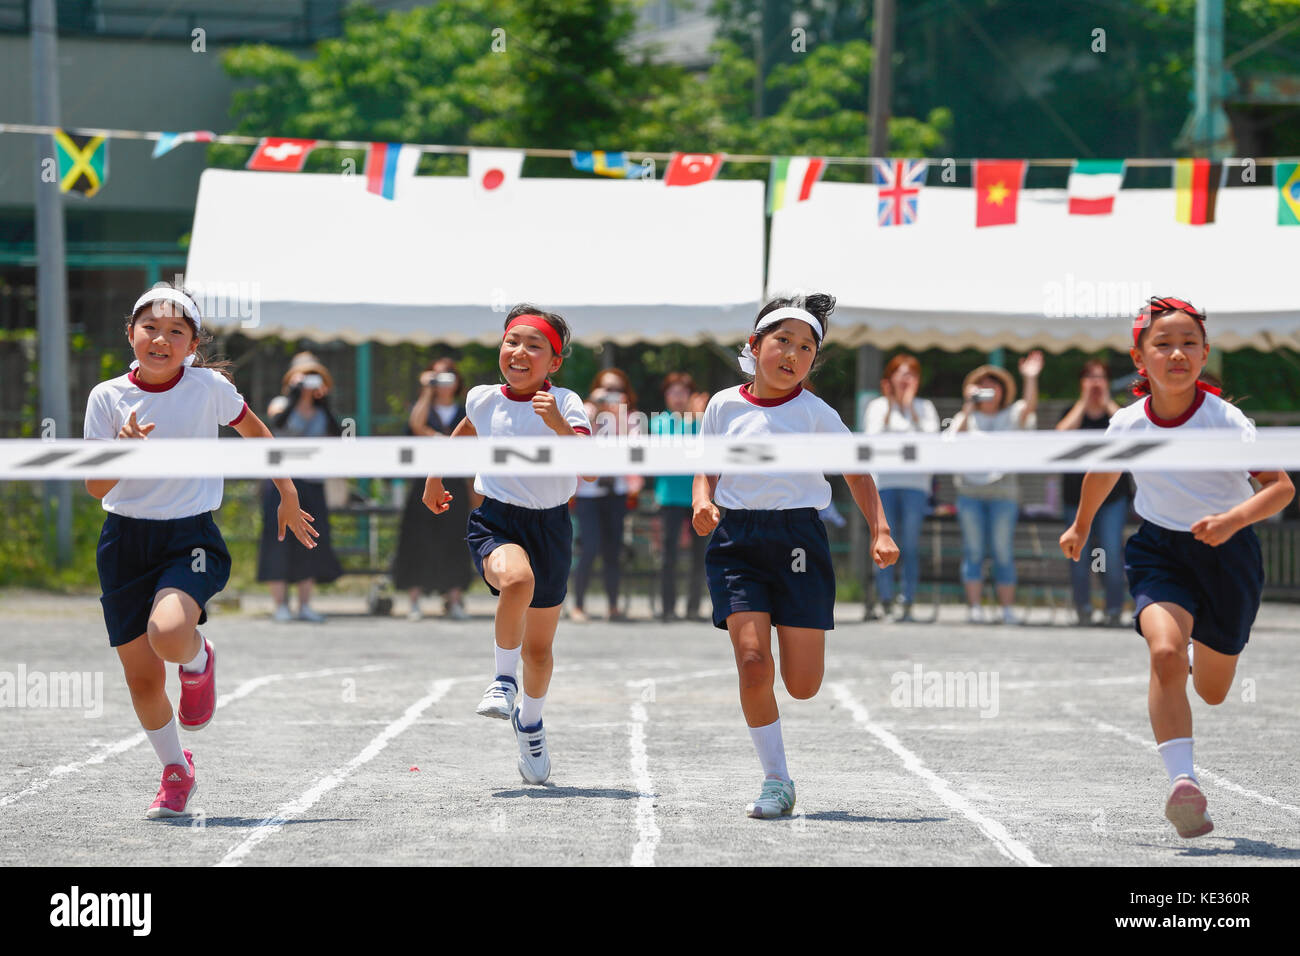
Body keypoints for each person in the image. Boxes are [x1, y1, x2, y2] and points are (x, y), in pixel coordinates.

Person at [1061, 296, 1293, 838]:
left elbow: (1281, 488)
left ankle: (1198, 652)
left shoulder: (1226, 421)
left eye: (1189, 343)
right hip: (1159, 550)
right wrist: (1081, 525)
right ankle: (1182, 783)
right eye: (1163, 344)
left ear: (1205, 354)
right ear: (1140, 359)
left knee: (1212, 690)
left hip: (1229, 557)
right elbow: (1102, 472)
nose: (1177, 353)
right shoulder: (1126, 423)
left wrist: (1233, 520)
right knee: (1164, 652)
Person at [83, 283, 316, 818]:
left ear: (192, 345)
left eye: (175, 331)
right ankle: (175, 770)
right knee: (143, 679)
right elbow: (95, 488)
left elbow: (256, 432)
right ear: (130, 333)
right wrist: (122, 451)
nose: (160, 339)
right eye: (150, 328)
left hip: (189, 538)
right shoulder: (106, 397)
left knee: (168, 634)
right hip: (123, 542)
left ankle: (197, 659)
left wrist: (287, 492)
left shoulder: (209, 387)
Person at [692, 293, 898, 819]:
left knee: (803, 686)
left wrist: (880, 530)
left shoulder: (815, 413)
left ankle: (792, 694)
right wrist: (702, 500)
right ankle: (776, 779)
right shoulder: (723, 405)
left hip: (799, 541)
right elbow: (707, 464)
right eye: (782, 340)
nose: (792, 354)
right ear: (754, 345)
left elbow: (857, 471)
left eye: (806, 347)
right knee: (753, 662)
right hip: (737, 541)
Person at [422, 305, 592, 785]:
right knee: (516, 580)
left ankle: (530, 723)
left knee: (538, 651)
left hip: (551, 527)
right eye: (512, 341)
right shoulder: (482, 397)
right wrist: (435, 474)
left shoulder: (567, 402)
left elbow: (592, 469)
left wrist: (559, 425)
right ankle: (501, 680)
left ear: (553, 362)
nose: (519, 352)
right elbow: (466, 430)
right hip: (496, 519)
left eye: (534, 346)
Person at [945, 352, 1043, 624]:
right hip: (969, 494)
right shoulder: (965, 416)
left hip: (1004, 494)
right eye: (983, 386)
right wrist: (968, 405)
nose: (988, 391)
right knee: (973, 551)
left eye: (994, 386)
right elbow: (950, 441)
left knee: (1003, 551)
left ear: (1003, 392)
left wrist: (1030, 378)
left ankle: (1007, 609)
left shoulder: (1012, 415)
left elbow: (1029, 408)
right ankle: (975, 607)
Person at [256, 353, 345, 622]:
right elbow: (279, 424)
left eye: (313, 377)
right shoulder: (280, 404)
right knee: (278, 539)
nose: (308, 381)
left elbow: (337, 435)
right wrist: (296, 397)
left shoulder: (323, 411)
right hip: (282, 484)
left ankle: (305, 604)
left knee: (310, 540)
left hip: (313, 484)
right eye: (303, 376)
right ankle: (280, 605)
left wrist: (323, 402)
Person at [390, 358, 476, 620]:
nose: (444, 382)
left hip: (456, 484)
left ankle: (454, 600)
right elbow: (416, 427)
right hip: (423, 483)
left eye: (448, 376)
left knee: (455, 541)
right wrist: (427, 391)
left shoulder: (465, 410)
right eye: (437, 376)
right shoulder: (423, 408)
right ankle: (414, 601)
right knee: (417, 540)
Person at [863, 353, 940, 621]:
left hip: (916, 485)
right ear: (890, 377)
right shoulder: (877, 406)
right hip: (884, 484)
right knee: (883, 543)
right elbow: (872, 439)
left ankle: (907, 600)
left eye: (912, 374)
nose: (906, 379)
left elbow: (931, 440)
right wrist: (891, 407)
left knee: (910, 545)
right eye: (902, 373)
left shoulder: (925, 407)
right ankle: (885, 600)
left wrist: (909, 409)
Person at [1056, 358, 1131, 626]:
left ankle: (1113, 609)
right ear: (1081, 382)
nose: (1095, 383)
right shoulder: (1071, 411)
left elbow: (1128, 432)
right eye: (1090, 377)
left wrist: (1107, 402)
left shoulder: (1118, 414)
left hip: (1112, 498)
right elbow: (1060, 436)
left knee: (1109, 553)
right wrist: (1084, 403)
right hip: (1075, 498)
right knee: (1078, 555)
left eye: (1101, 378)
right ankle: (1084, 609)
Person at [570, 368, 643, 622]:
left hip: (617, 491)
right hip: (588, 492)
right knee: (589, 548)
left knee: (613, 550)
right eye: (607, 389)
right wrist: (594, 408)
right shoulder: (585, 412)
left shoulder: (631, 418)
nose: (611, 394)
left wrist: (617, 416)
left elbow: (633, 449)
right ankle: (578, 605)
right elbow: (577, 440)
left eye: (616, 390)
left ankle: (613, 606)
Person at [652, 373, 708, 622]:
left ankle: (693, 607)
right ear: (666, 396)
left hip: (697, 496)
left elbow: (706, 448)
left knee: (700, 555)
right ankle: (668, 608)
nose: (678, 397)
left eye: (682, 392)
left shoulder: (702, 421)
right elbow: (674, 449)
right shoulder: (659, 422)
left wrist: (699, 419)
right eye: (673, 392)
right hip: (669, 497)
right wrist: (689, 422)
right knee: (668, 556)